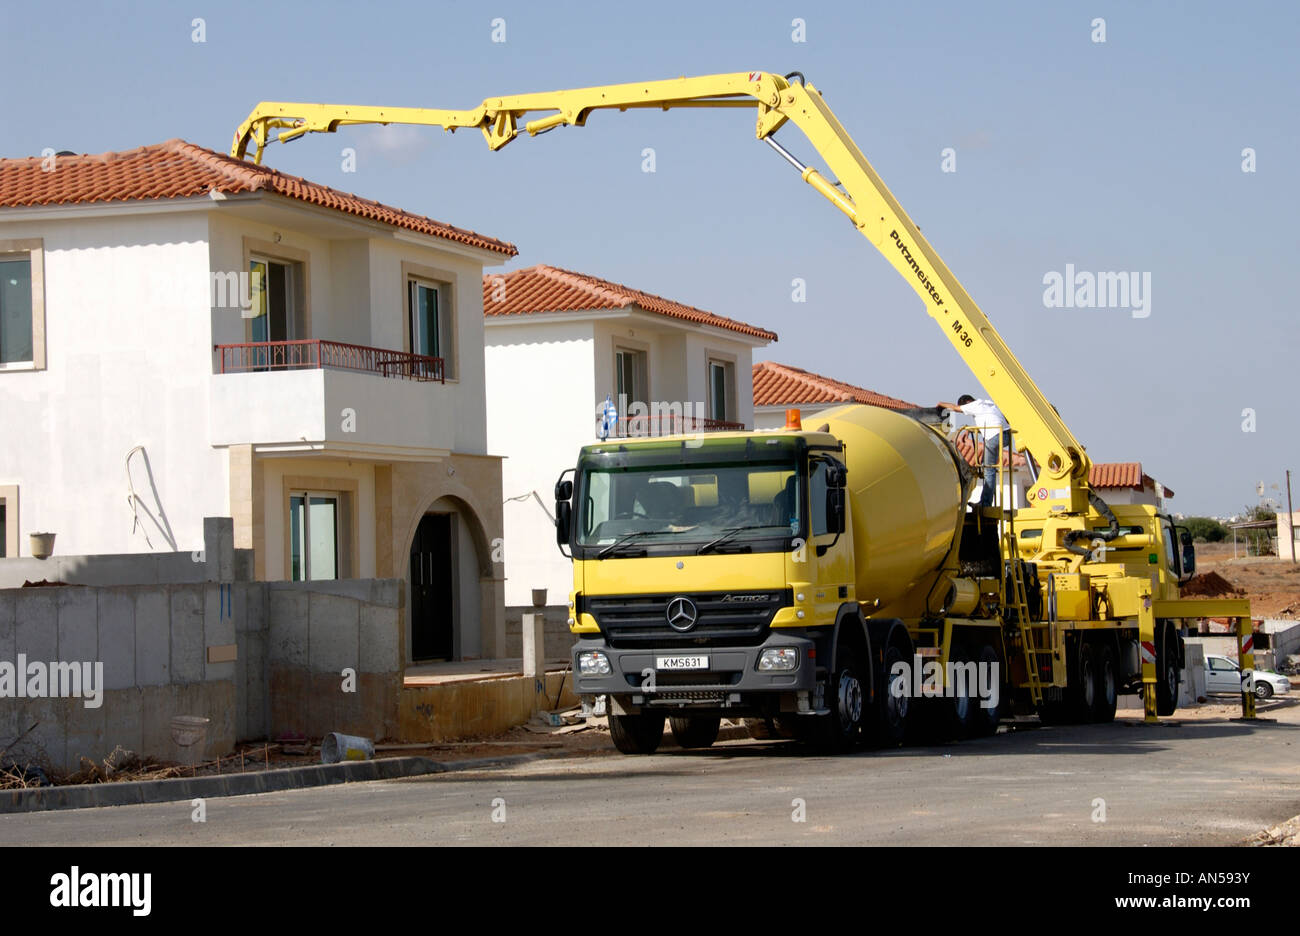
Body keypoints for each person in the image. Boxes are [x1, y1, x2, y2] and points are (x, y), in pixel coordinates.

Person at [938, 394, 1012, 508]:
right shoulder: (987, 403)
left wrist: (940, 404)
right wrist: (969, 430)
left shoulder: (973, 405)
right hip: (1006, 435)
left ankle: (985, 503)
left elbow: (955, 408)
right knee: (987, 466)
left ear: (967, 402)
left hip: (994, 436)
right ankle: (987, 499)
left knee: (988, 471)